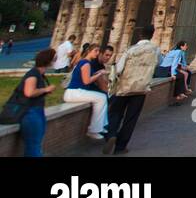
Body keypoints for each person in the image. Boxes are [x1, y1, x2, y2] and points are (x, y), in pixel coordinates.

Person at [103, 25, 161, 155]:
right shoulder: (155, 50)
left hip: (124, 86)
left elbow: (118, 69)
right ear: (152, 35)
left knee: (115, 113)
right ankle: (120, 147)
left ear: (140, 35)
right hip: (141, 88)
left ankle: (111, 134)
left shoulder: (130, 50)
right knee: (131, 118)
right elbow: (158, 63)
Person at [16, 47, 58, 156]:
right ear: (47, 60)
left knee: (36, 144)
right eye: (54, 58)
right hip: (30, 113)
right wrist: (46, 89)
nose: (55, 60)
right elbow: (29, 92)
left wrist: (44, 91)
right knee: (33, 146)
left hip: (36, 111)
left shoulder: (39, 74)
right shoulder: (33, 74)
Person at [62, 44, 110, 138]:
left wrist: (98, 73)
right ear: (89, 51)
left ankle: (101, 126)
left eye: (98, 51)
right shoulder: (86, 63)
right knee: (101, 98)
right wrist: (99, 74)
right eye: (95, 51)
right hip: (74, 92)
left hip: (76, 92)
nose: (97, 53)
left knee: (102, 97)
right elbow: (86, 81)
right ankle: (94, 130)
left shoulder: (86, 62)